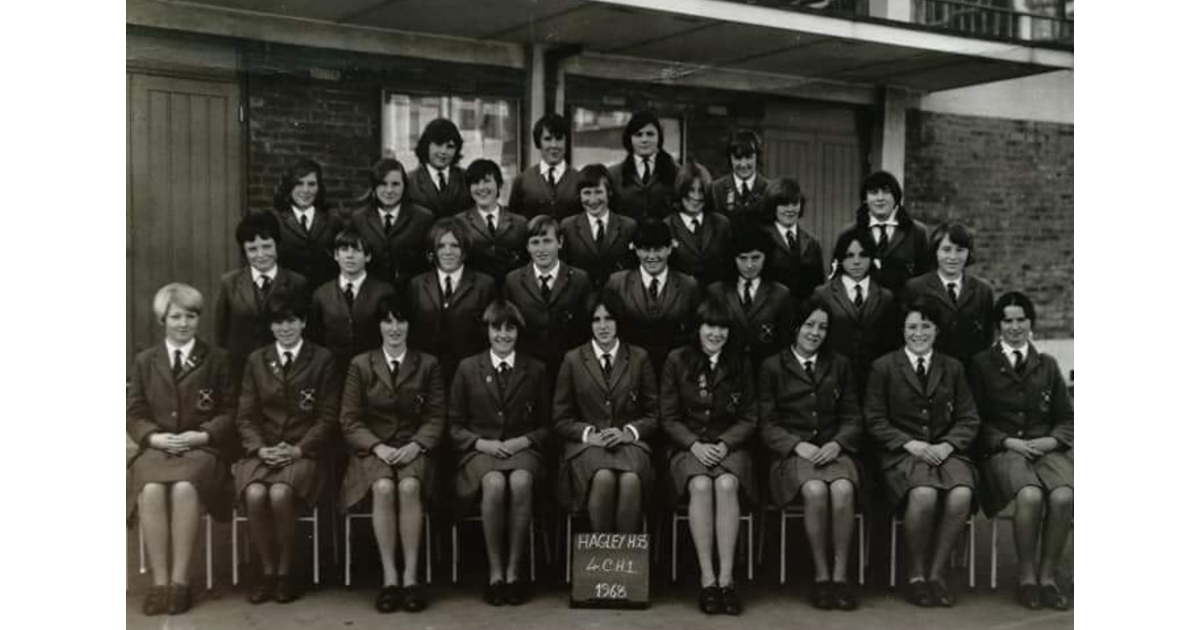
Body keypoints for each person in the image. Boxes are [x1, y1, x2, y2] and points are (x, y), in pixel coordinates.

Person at [127, 283, 235, 616]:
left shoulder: (217, 359)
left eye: (190, 316)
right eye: (175, 316)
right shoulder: (146, 361)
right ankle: (159, 584)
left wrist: (202, 436)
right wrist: (152, 438)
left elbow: (230, 410)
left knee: (186, 488)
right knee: (151, 490)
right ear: (163, 319)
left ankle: (180, 583)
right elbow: (134, 411)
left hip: (201, 449)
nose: (183, 323)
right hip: (158, 448)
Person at [865, 299, 980, 608]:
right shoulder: (884, 366)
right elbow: (874, 419)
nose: (919, 333)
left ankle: (936, 573)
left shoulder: (953, 367)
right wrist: (909, 443)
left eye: (926, 326)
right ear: (902, 330)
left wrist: (948, 445)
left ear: (937, 330)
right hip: (903, 454)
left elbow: (969, 417)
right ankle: (915, 575)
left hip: (945, 452)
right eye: (912, 327)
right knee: (924, 494)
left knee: (961, 494)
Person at [340, 295, 446, 613]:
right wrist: (377, 446)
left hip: (414, 447)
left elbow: (436, 416)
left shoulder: (428, 364)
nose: (395, 328)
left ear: (410, 325)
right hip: (373, 450)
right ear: (379, 326)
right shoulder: (361, 364)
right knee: (384, 488)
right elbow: (349, 418)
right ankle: (389, 579)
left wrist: (417, 444)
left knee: (409, 487)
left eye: (401, 321)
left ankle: (411, 579)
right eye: (388, 321)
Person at [967, 292, 1073, 611]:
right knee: (1029, 496)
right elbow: (974, 419)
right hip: (1004, 452)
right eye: (1008, 321)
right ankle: (1027, 577)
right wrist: (1005, 441)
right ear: (998, 326)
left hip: (1045, 449)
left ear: (1031, 323)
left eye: (1021, 320)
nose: (1015, 327)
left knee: (1064, 495)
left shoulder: (1047, 364)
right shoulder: (982, 364)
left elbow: (1066, 417)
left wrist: (1053, 441)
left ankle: (1048, 577)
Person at [758, 298, 864, 610]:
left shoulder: (839, 364)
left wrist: (838, 444)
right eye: (809, 325)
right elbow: (766, 423)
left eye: (822, 327)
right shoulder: (772, 366)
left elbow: (853, 416)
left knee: (843, 489)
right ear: (795, 327)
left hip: (833, 452)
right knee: (816, 491)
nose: (815, 332)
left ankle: (840, 577)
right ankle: (821, 577)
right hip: (792, 457)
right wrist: (796, 445)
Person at [233, 291, 338, 604]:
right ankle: (266, 571)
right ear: (270, 327)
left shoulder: (322, 359)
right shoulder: (257, 360)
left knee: (279, 494)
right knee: (254, 493)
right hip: (265, 451)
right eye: (278, 322)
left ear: (303, 322)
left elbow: (327, 417)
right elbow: (246, 416)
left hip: (304, 452)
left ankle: (288, 571)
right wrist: (260, 449)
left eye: (292, 320)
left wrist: (298, 449)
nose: (285, 328)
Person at [448, 301, 552, 606]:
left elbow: (548, 426)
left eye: (510, 328)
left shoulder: (535, 369)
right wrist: (481, 443)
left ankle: (513, 572)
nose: (503, 335)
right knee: (493, 482)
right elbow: (453, 425)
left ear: (518, 331)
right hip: (481, 451)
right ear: (487, 330)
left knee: (520, 481)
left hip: (523, 450)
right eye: (497, 328)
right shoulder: (468, 368)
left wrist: (524, 441)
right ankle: (494, 572)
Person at [660, 298, 757, 615]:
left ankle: (727, 579)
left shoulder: (740, 362)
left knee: (727, 485)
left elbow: (749, 417)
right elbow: (669, 417)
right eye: (710, 326)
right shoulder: (677, 361)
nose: (716, 334)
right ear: (698, 328)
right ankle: (707, 579)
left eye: (723, 328)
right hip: (688, 448)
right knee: (700, 486)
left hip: (729, 448)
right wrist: (694, 445)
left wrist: (726, 444)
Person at [554, 293, 659, 533]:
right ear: (588, 324)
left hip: (630, 445)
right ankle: (603, 561)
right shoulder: (572, 360)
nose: (603, 326)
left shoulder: (639, 357)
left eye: (609, 319)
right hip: (587, 448)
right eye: (596, 320)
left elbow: (654, 414)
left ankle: (622, 561)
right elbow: (560, 418)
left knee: (631, 480)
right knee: (603, 478)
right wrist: (588, 434)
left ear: (619, 321)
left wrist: (628, 433)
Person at [215, 211, 309, 393]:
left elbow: (306, 332)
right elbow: (221, 333)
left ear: (277, 245)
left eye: (267, 246)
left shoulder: (297, 283)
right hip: (241, 371)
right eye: (252, 249)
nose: (261, 255)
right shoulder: (230, 282)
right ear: (244, 251)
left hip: (284, 373)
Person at [603, 218, 701, 374]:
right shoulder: (617, 283)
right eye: (645, 249)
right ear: (635, 250)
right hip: (630, 369)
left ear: (669, 248)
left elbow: (694, 331)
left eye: (658, 249)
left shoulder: (688, 285)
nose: (652, 256)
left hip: (677, 369)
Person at [502, 214, 592, 384]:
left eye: (547, 241)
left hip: (568, 368)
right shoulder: (513, 281)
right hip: (526, 370)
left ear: (560, 242)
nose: (541, 249)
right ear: (527, 246)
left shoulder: (580, 279)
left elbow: (584, 328)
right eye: (535, 242)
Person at [407, 218, 497, 384]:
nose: (448, 252)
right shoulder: (417, 285)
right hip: (426, 374)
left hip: (471, 375)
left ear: (465, 249)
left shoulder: (485, 285)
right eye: (441, 246)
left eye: (455, 245)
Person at [814, 228, 901, 396]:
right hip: (833, 378)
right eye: (849, 256)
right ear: (840, 258)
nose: (856, 262)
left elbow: (891, 342)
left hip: (875, 380)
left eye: (863, 255)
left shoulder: (886, 297)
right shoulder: (823, 295)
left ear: (871, 258)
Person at [902, 222, 995, 365]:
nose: (953, 257)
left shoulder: (983, 290)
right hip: (931, 374)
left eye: (960, 250)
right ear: (935, 251)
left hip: (971, 375)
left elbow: (987, 340)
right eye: (946, 249)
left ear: (968, 253)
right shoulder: (915, 288)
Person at [308, 228, 396, 377]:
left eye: (356, 250)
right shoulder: (321, 294)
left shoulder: (384, 292)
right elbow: (315, 337)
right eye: (344, 250)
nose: (349, 255)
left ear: (367, 257)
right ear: (336, 255)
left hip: (373, 371)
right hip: (333, 371)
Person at [705, 227, 794, 367]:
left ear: (766, 256)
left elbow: (786, 341)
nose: (749, 265)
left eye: (756, 258)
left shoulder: (781, 293)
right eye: (743, 258)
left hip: (767, 370)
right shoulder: (716, 292)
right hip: (727, 369)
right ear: (733, 258)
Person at [347, 157, 436, 289]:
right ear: (373, 187)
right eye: (383, 184)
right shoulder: (358, 219)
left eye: (395, 184)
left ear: (404, 186)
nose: (389, 190)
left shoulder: (423, 218)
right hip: (370, 294)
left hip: (412, 293)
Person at [837, 170, 930, 293]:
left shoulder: (917, 232)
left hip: (905, 308)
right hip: (863, 309)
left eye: (886, 192)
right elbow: (837, 278)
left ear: (896, 197)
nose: (880, 198)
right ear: (865, 198)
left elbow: (926, 277)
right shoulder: (849, 232)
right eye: (874, 192)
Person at [560, 163, 637, 289]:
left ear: (609, 192)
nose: (593, 200)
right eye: (587, 193)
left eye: (598, 192)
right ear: (579, 195)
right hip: (580, 299)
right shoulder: (568, 227)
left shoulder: (628, 227)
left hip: (618, 298)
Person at [454, 158, 529, 286]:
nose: (481, 188)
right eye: (476, 183)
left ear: (499, 184)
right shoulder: (459, 222)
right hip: (473, 292)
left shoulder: (520, 223)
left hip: (512, 292)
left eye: (487, 181)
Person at [272, 158, 342, 286]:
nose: (305, 190)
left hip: (323, 297)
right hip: (286, 297)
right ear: (289, 186)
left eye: (311, 184)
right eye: (299, 183)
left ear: (319, 187)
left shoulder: (333, 222)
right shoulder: (275, 221)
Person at [666, 160, 733, 288]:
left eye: (701, 191)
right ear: (680, 190)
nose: (696, 197)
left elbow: (729, 269)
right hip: (680, 300)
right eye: (690, 190)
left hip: (716, 301)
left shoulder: (722, 224)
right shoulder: (667, 226)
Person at [762, 177, 825, 305]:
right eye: (785, 204)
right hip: (771, 312)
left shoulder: (812, 243)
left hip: (804, 315)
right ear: (773, 206)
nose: (790, 209)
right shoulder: (762, 238)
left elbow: (819, 287)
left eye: (795, 203)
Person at [607, 110, 678, 223]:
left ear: (659, 137)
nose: (644, 140)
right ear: (629, 139)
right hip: (626, 239)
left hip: (664, 239)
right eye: (638, 135)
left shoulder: (676, 171)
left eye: (650, 134)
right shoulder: (613, 174)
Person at [508, 113, 580, 220]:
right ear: (538, 142)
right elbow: (514, 222)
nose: (554, 145)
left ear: (566, 142)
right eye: (547, 139)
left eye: (559, 139)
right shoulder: (522, 180)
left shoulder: (579, 179)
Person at [406, 118, 473, 219]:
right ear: (426, 145)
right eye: (438, 144)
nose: (443, 151)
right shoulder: (409, 181)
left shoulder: (467, 178)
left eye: (450, 146)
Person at [709, 129, 771, 226]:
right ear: (730, 158)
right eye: (738, 158)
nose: (743, 164)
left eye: (748, 157)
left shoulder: (769, 190)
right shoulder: (715, 190)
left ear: (757, 157)